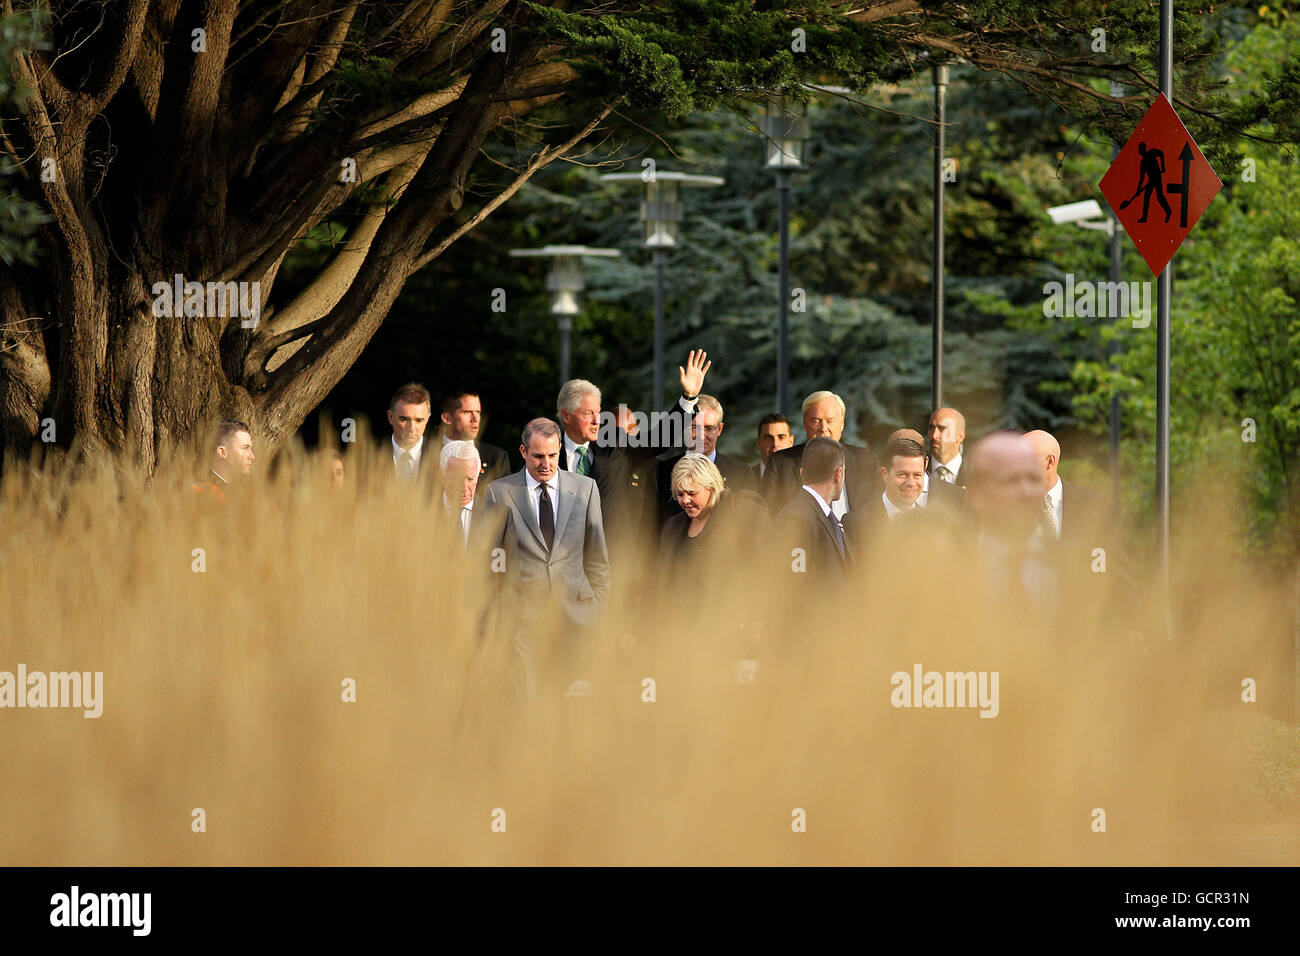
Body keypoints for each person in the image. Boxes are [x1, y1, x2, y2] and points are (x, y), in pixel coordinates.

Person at [480, 418, 611, 697]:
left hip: (577, 619)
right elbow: (488, 564)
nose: (546, 463)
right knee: (527, 705)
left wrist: (597, 609)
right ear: (523, 451)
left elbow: (597, 559)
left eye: (552, 455)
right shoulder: (499, 493)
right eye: (538, 456)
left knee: (575, 707)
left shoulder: (586, 489)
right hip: (522, 624)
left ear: (560, 449)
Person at [655, 455, 770, 660]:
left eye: (692, 493)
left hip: (731, 637)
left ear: (712, 487)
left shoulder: (742, 511)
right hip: (683, 638)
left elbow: (767, 569)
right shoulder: (673, 526)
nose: (685, 501)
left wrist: (757, 620)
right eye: (679, 494)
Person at [762, 390, 881, 514]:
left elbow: (880, 513)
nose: (823, 429)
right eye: (816, 421)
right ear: (805, 424)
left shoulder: (867, 461)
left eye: (830, 421)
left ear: (842, 423)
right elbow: (766, 516)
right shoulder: (780, 464)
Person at [652, 394, 756, 527]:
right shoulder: (662, 472)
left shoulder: (742, 474)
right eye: (694, 427)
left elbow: (750, 524)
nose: (701, 435)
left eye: (709, 428)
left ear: (720, 429)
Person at [773, 437, 854, 585]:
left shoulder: (824, 517)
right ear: (839, 474)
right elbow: (790, 586)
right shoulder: (795, 519)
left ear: (802, 473)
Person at [438, 390, 510, 494]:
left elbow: (504, 505)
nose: (475, 419)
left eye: (478, 412)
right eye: (467, 412)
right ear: (447, 418)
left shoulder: (496, 458)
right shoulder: (425, 454)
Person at [382, 382, 440, 495]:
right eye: (404, 419)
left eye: (419, 420)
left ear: (427, 419)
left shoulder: (443, 458)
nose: (411, 428)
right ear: (390, 417)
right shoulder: (373, 455)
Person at [192, 420, 255, 501]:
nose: (252, 456)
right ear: (222, 452)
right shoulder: (197, 491)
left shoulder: (245, 491)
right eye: (245, 447)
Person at [439, 440, 482, 550]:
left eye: (470, 478)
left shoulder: (499, 515)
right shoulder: (420, 512)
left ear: (477, 477)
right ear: (442, 477)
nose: (464, 488)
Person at [927, 407, 968, 488]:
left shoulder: (977, 475)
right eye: (931, 428)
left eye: (942, 429)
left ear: (960, 436)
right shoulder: (918, 470)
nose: (934, 435)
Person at [754, 413, 794, 481]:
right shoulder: (745, 478)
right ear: (758, 443)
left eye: (781, 437)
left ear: (791, 441)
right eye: (768, 438)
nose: (775, 444)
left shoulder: (803, 477)